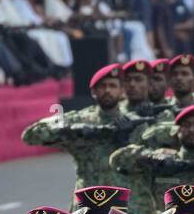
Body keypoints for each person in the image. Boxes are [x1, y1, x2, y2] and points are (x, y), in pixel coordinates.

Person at [21, 64, 137, 193]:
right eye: (102, 86)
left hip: (121, 198)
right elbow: (30, 135)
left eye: (112, 86)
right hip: (86, 198)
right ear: (94, 92)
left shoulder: (133, 121)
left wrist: (127, 144)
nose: (107, 90)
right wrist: (71, 131)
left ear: (122, 91)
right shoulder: (80, 118)